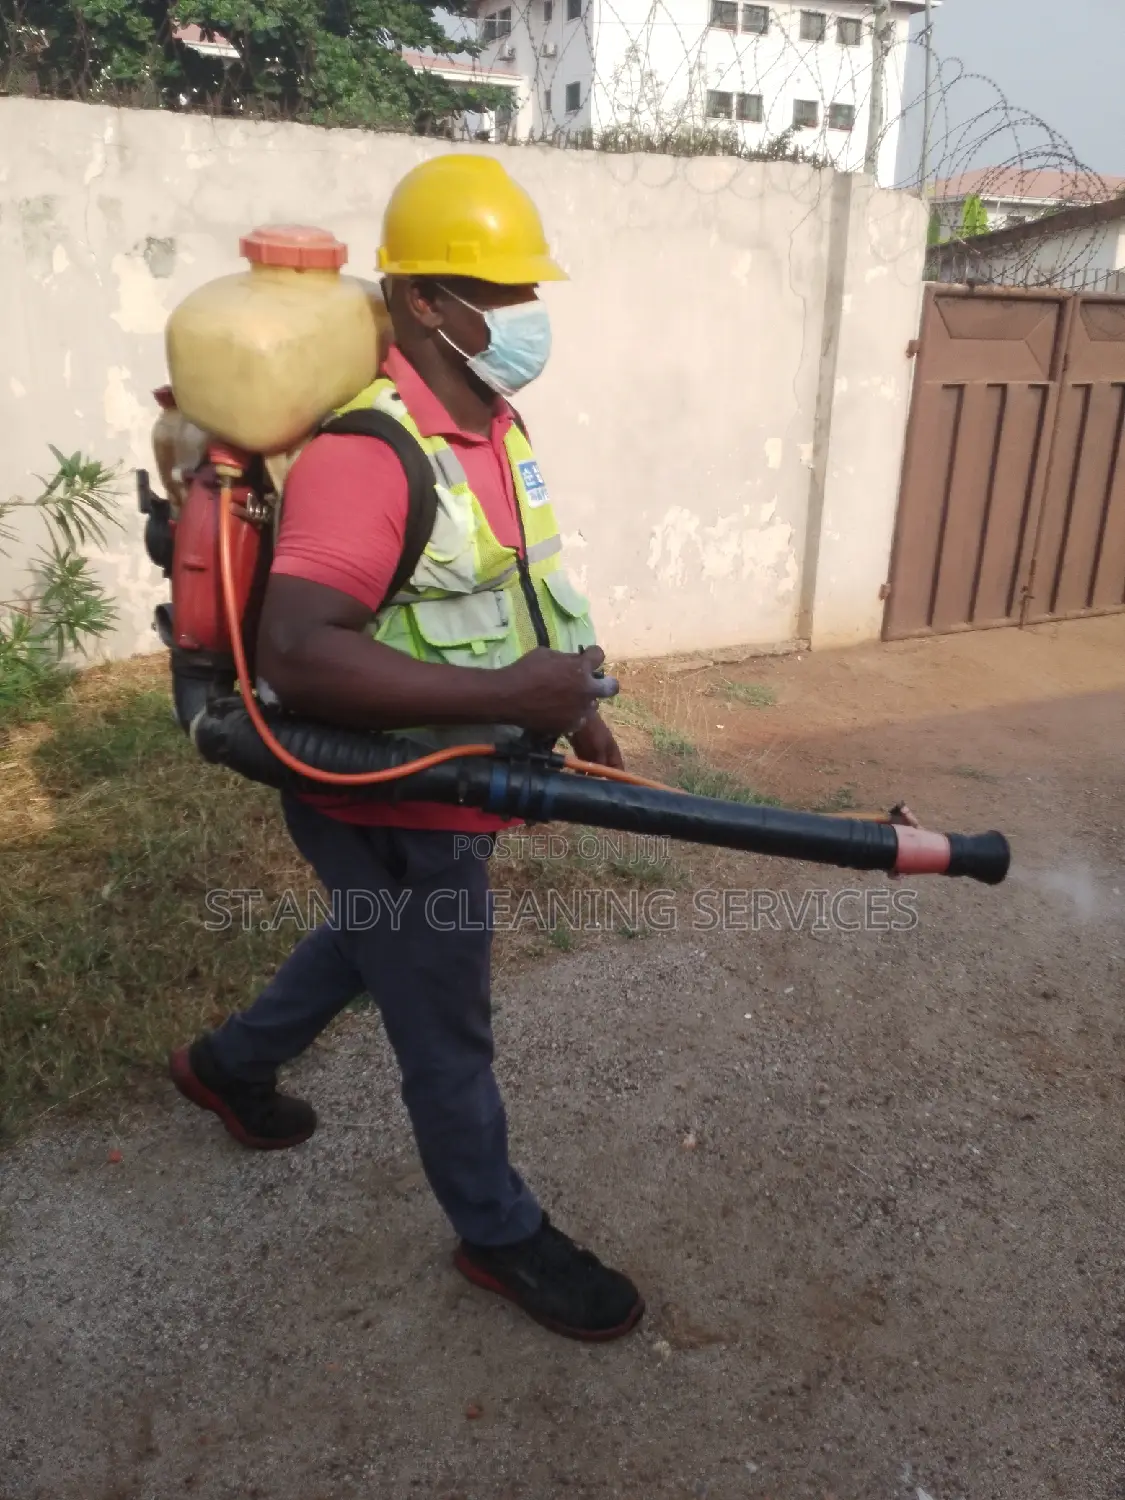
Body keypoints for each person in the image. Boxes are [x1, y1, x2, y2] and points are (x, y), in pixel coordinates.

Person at [169, 154, 645, 1342]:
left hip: (449, 767)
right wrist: (502, 692)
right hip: (382, 781)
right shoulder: (364, 458)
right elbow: (298, 652)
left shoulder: (492, 423)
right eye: (500, 291)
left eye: (531, 290)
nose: (527, 315)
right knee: (443, 1012)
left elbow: (520, 576)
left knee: (373, 934)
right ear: (423, 302)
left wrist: (573, 703)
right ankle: (499, 1235)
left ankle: (228, 1067)